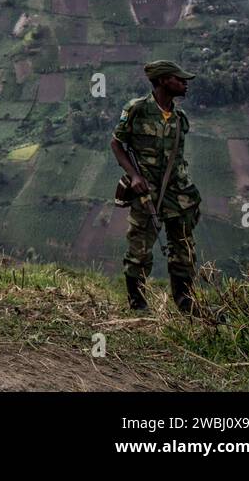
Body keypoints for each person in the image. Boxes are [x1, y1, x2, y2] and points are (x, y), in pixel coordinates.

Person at [110, 60, 201, 314]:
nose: (185, 83)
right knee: (139, 249)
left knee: (184, 247)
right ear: (162, 81)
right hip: (146, 193)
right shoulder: (137, 109)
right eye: (178, 79)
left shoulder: (180, 118)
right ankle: (137, 304)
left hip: (179, 194)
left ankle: (185, 302)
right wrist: (134, 176)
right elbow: (117, 144)